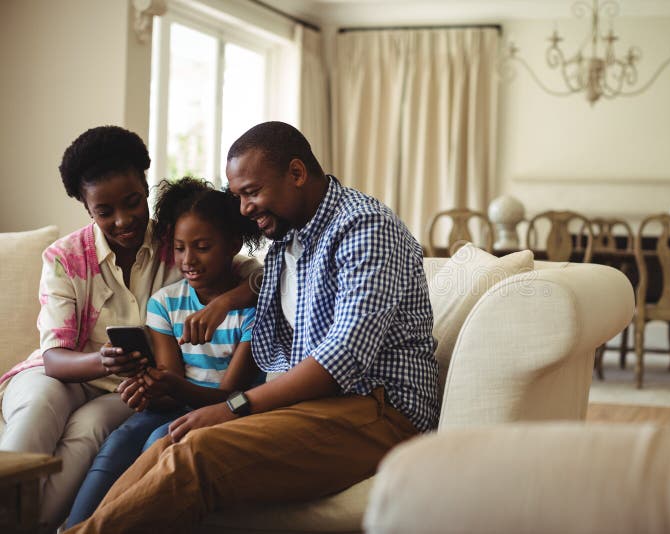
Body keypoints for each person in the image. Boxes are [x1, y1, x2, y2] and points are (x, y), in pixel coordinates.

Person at [68, 121, 439, 533]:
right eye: (238, 196)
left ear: (296, 174)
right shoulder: (292, 236)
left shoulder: (364, 228)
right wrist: (228, 300)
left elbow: (341, 358)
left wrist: (233, 407)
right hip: (326, 407)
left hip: (381, 409)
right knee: (175, 440)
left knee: (197, 454)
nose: (244, 209)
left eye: (251, 192)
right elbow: (269, 281)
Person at [0, 126, 262, 532]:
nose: (123, 220)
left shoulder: (177, 242)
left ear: (145, 187)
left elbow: (256, 277)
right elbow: (53, 357)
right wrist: (102, 359)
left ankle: (38, 526)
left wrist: (227, 302)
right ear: (87, 208)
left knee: (90, 432)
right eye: (105, 212)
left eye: (133, 202)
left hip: (131, 387)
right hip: (63, 372)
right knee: (36, 412)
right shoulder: (65, 258)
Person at [66, 177, 264, 527]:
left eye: (202, 246)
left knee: (160, 440)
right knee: (118, 441)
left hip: (223, 408)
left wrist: (170, 387)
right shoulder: (166, 303)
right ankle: (72, 526)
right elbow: (171, 380)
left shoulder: (250, 308)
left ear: (233, 244)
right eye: (180, 247)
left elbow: (229, 395)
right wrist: (151, 388)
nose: (189, 260)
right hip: (180, 401)